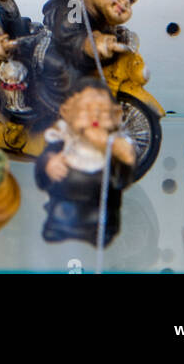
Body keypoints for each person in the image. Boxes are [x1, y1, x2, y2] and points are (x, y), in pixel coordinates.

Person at [35, 82, 135, 245]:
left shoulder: (115, 147)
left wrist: (124, 158)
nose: (94, 117)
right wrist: (48, 164)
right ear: (67, 112)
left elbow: (122, 180)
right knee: (59, 214)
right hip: (63, 208)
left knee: (102, 221)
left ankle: (101, 232)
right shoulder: (62, 140)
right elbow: (42, 164)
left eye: (102, 111)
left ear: (116, 115)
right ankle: (57, 227)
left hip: (97, 214)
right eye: (85, 110)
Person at [43, 0, 142, 81]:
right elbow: (67, 33)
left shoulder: (103, 16)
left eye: (131, 0)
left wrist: (121, 38)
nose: (124, 2)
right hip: (55, 60)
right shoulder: (74, 3)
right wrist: (92, 44)